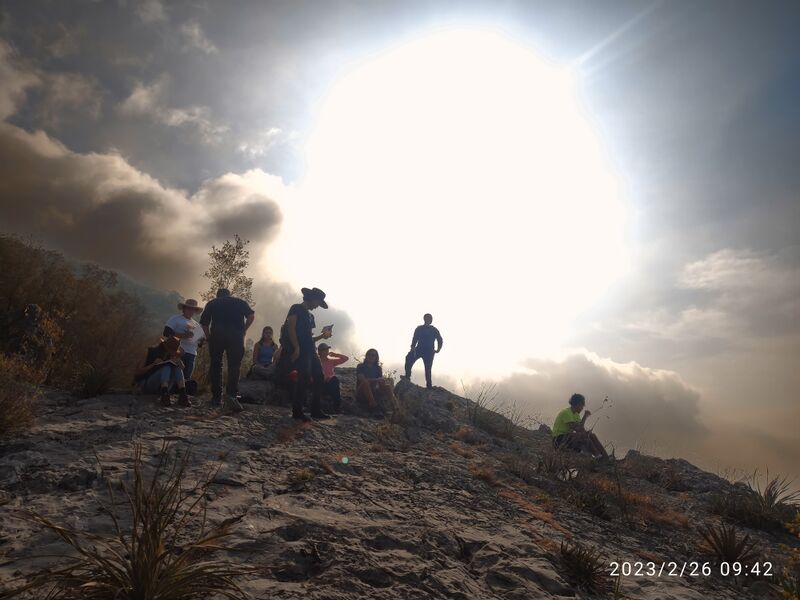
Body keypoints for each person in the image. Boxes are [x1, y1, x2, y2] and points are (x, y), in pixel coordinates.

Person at [278, 287, 332, 421]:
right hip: (300, 349)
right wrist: (296, 347)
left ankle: (315, 409)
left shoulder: (310, 316)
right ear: (312, 299)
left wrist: (322, 337)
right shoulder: (296, 308)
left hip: (310, 349)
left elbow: (309, 337)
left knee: (319, 376)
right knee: (305, 377)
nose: (317, 306)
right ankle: (297, 411)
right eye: (318, 303)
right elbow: (291, 328)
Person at [199, 288, 254, 412]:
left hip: (217, 335)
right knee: (234, 366)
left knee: (216, 364)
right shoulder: (240, 302)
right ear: (229, 295)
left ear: (218, 295)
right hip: (236, 336)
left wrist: (209, 338)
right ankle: (231, 396)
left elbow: (204, 324)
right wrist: (244, 329)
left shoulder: (213, 303)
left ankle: (216, 398)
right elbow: (251, 316)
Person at [134, 336, 190, 407]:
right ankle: (165, 394)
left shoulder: (172, 355)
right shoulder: (150, 351)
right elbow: (137, 372)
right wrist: (153, 364)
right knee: (166, 367)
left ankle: (183, 394)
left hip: (162, 387)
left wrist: (181, 365)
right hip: (146, 384)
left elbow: (181, 369)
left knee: (177, 368)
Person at [551, 393, 609, 459]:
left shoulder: (576, 415)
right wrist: (585, 416)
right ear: (578, 404)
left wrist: (587, 432)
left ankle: (605, 457)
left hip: (568, 438)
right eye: (582, 405)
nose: (582, 408)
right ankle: (598, 456)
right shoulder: (566, 413)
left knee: (592, 436)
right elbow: (577, 429)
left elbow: (581, 429)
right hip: (558, 440)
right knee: (583, 436)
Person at [163, 298, 205, 380]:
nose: (191, 311)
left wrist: (201, 340)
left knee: (186, 378)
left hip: (192, 353)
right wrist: (184, 335)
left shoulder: (196, 325)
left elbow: (200, 344)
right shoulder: (175, 319)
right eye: (189, 308)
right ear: (184, 309)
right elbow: (166, 332)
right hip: (177, 351)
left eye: (193, 309)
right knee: (174, 376)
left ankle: (182, 392)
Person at [403, 313, 443, 389]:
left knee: (428, 369)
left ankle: (429, 386)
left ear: (431, 320)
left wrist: (438, 349)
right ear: (424, 319)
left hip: (429, 351)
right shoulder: (419, 328)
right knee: (408, 358)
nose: (428, 320)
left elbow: (440, 340)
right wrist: (412, 346)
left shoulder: (434, 330)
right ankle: (407, 377)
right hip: (419, 349)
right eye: (427, 318)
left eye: (430, 319)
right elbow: (415, 338)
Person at [356, 348, 397, 417]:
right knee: (365, 382)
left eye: (373, 355)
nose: (371, 357)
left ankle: (395, 409)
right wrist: (377, 380)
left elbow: (380, 382)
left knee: (387, 386)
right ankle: (373, 406)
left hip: (374, 391)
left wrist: (383, 382)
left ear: (376, 357)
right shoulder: (360, 366)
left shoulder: (378, 368)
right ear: (366, 356)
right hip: (361, 392)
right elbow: (362, 379)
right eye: (369, 354)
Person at [317, 343, 348, 413]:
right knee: (333, 381)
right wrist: (324, 378)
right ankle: (336, 408)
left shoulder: (331, 361)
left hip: (330, 384)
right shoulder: (316, 362)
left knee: (334, 380)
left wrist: (335, 355)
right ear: (319, 352)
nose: (326, 351)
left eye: (327, 349)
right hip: (320, 384)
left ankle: (336, 408)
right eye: (324, 350)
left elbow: (346, 358)